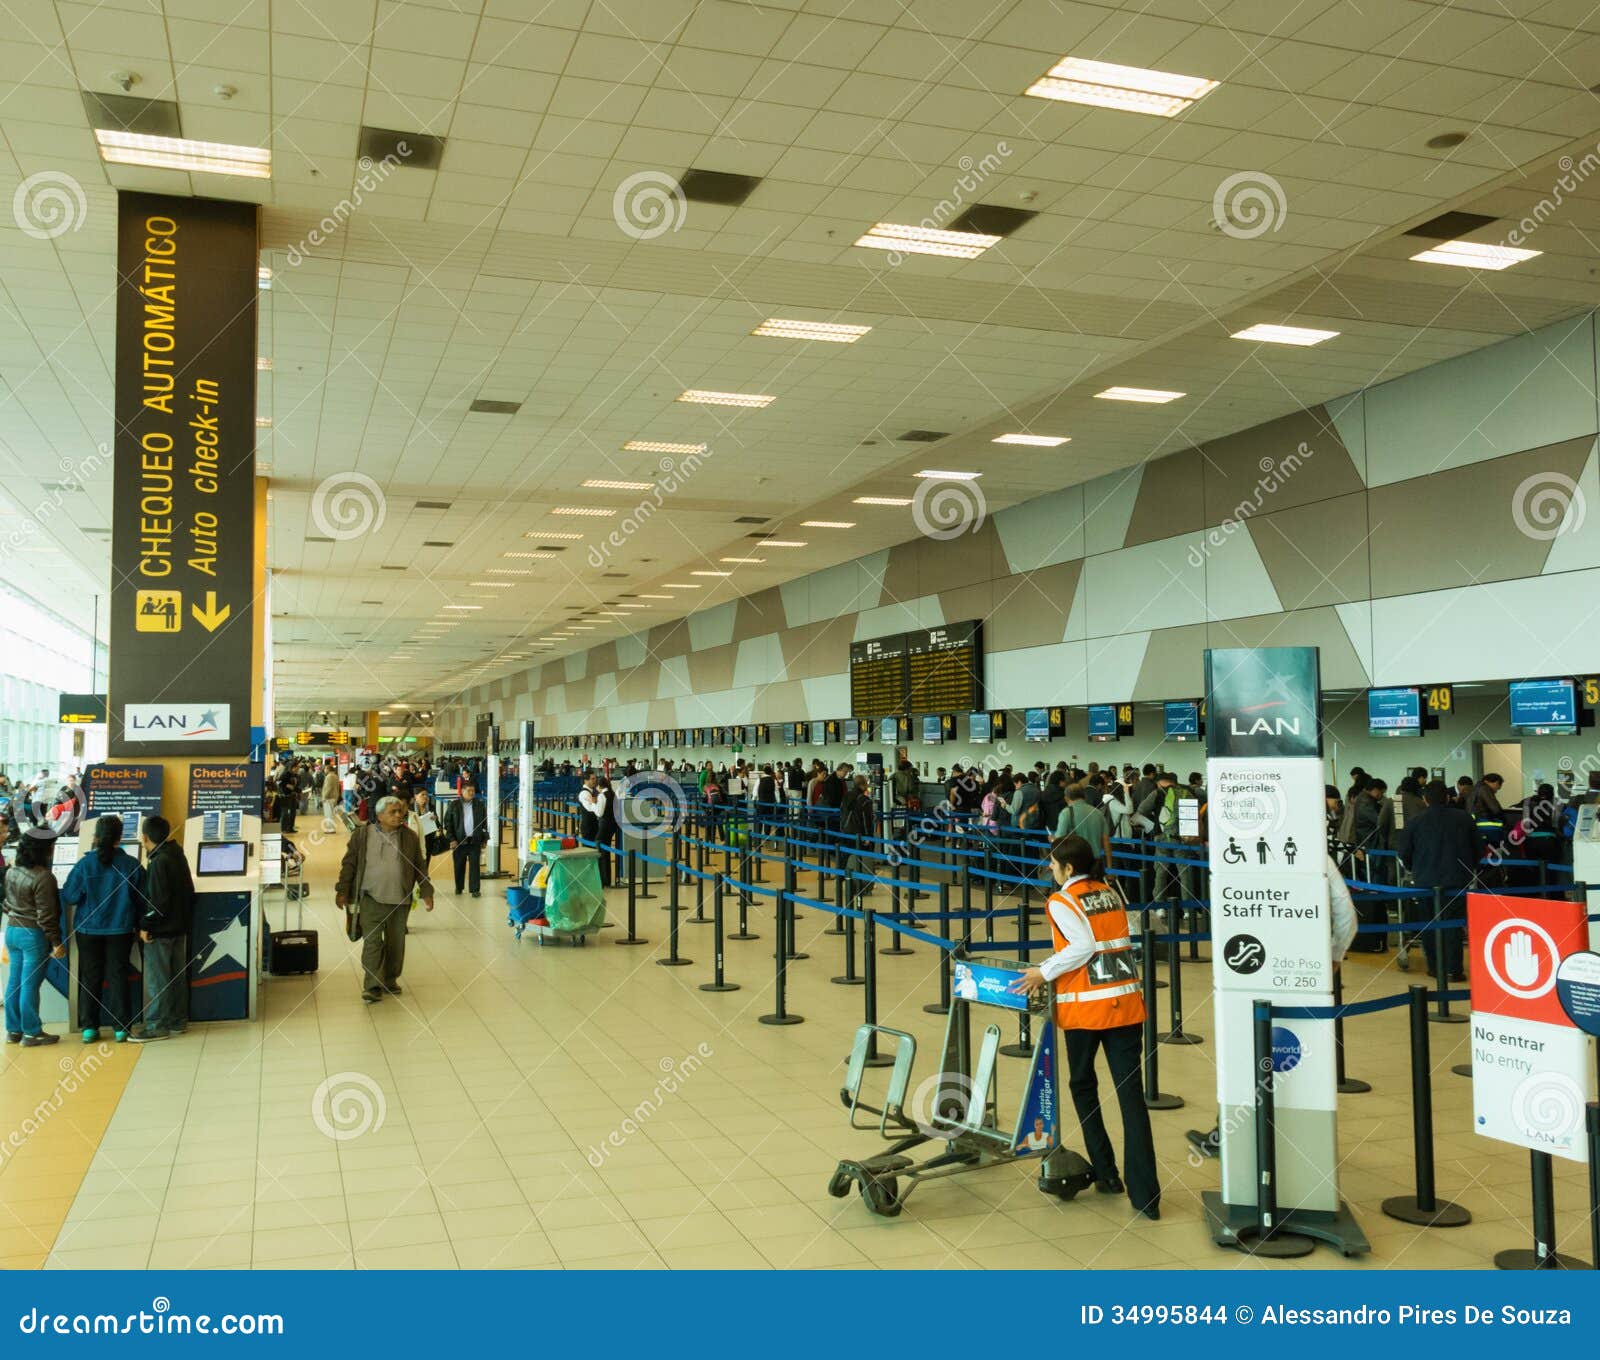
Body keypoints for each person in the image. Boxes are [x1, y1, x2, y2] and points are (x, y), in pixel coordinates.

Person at [1011, 835, 1159, 1219]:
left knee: (1082, 1085)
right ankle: (1147, 1197)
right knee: (1131, 1099)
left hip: (1087, 1012)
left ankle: (1107, 1174)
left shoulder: (1061, 901)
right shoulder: (1109, 893)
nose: (1049, 867)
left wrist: (1041, 973)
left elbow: (1082, 947)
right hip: (1126, 1006)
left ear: (1068, 868)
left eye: (1053, 863)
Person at [336, 796, 434, 1003]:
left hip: (400, 900)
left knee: (395, 945)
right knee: (372, 943)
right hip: (370, 898)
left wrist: (426, 891)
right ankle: (371, 986)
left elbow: (419, 866)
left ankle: (389, 980)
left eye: (400, 811)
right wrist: (342, 890)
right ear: (379, 816)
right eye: (393, 812)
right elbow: (349, 864)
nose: (398, 815)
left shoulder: (409, 837)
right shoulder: (362, 836)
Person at [61, 814, 143, 1043]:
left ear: (95, 836)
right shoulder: (131, 864)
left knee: (90, 977)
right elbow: (142, 899)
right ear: (120, 838)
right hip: (121, 930)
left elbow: (70, 895)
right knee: (118, 976)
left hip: (89, 931)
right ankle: (121, 1029)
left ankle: (89, 1028)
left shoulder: (85, 864)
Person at [1396, 779, 1481, 979]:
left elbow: (1404, 852)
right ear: (1448, 797)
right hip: (1457, 880)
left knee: (1429, 924)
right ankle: (1454, 969)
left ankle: (1435, 967)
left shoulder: (1415, 821)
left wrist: (1414, 868)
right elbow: (1478, 849)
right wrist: (1469, 868)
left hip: (1425, 882)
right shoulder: (1465, 818)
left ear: (1425, 799)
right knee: (1452, 926)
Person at [131, 815, 194, 1043]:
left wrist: (145, 926)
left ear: (144, 837)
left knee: (157, 979)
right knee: (177, 976)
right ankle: (178, 1021)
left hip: (161, 930)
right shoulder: (177, 854)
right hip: (179, 927)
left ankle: (156, 1025)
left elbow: (157, 902)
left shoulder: (158, 862)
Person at [3, 834, 65, 1045]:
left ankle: (14, 1031)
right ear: (45, 849)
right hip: (32, 934)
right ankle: (32, 1032)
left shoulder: (12, 871)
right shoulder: (44, 877)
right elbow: (47, 916)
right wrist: (56, 942)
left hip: (12, 930)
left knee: (15, 981)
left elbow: (6, 903)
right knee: (29, 984)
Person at [442, 779, 490, 897]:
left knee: (475, 866)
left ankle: (475, 889)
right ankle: (459, 887)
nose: (472, 793)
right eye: (469, 790)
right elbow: (448, 823)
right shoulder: (454, 805)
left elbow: (484, 823)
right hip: (458, 841)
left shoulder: (479, 805)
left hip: (475, 840)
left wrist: (484, 838)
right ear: (462, 791)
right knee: (459, 866)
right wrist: (451, 839)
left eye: (473, 790)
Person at [595, 777, 621, 888]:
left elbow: (599, 813)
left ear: (599, 786)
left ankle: (603, 880)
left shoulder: (602, 796)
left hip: (604, 825)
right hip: (612, 825)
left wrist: (593, 804)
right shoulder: (614, 794)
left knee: (600, 850)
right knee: (606, 851)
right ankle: (607, 878)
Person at [321, 762, 341, 829]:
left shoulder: (329, 776)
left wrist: (324, 797)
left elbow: (328, 788)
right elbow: (338, 788)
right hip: (334, 797)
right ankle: (331, 827)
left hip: (329, 798)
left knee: (328, 814)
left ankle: (330, 828)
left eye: (325, 769)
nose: (324, 770)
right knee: (331, 814)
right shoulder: (335, 776)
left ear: (328, 769)